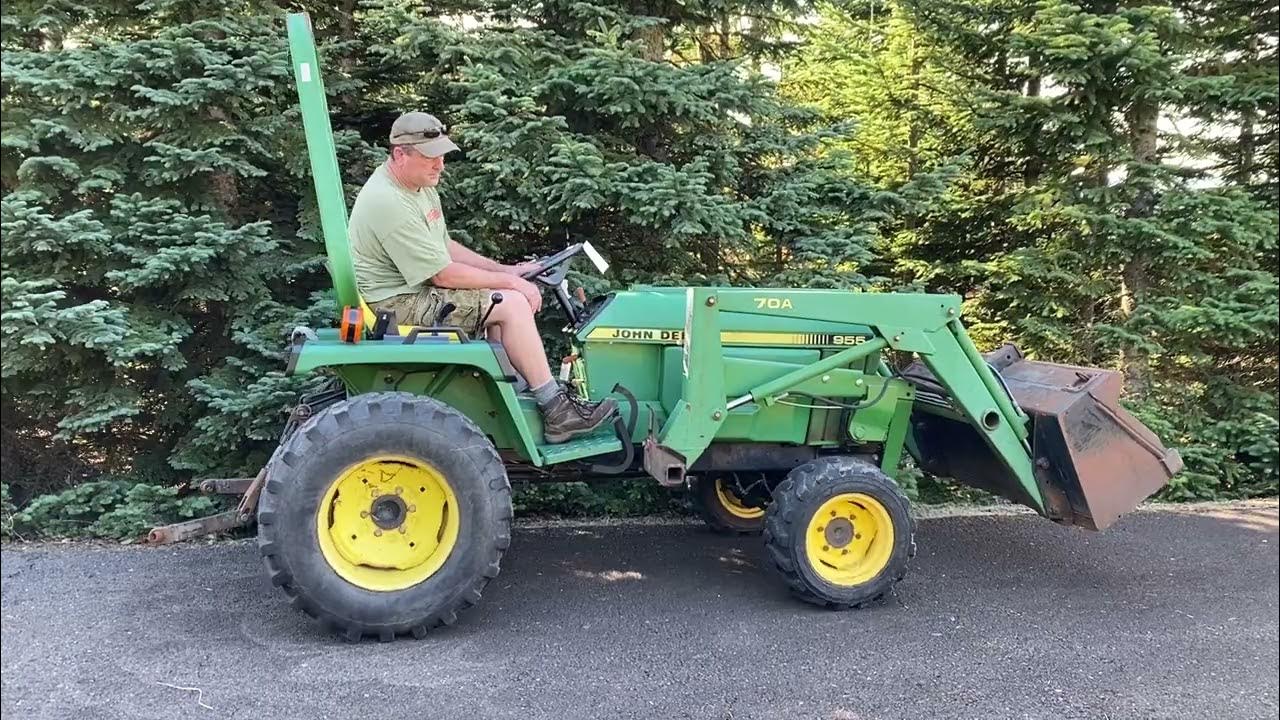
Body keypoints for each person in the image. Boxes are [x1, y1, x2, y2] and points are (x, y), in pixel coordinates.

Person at [346, 111, 617, 444]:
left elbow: (443, 247)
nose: (440, 165)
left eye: (442, 155)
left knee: (504, 295)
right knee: (512, 305)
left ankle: (519, 395)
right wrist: (513, 284)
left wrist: (506, 271)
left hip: (414, 291)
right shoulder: (388, 201)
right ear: (400, 154)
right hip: (397, 303)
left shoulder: (417, 185)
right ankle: (557, 411)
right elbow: (443, 275)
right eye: (431, 157)